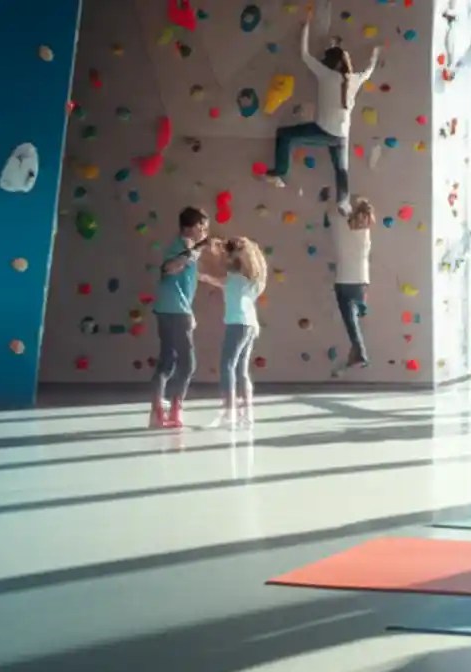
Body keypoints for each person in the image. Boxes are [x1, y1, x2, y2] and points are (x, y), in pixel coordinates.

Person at [264, 8, 379, 214]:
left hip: (324, 132)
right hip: (341, 136)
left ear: (332, 63)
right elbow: (368, 72)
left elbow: (304, 55)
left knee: (285, 135)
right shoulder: (354, 79)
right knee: (341, 170)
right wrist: (374, 55)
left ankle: (280, 171)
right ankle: (343, 202)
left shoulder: (326, 75)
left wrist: (305, 28)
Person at [148, 207, 209, 429]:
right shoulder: (183, 247)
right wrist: (194, 252)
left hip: (169, 308)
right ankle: (174, 409)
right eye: (200, 226)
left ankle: (158, 412)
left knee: (168, 361)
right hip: (174, 309)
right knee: (187, 363)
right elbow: (169, 269)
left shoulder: (184, 248)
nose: (204, 230)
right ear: (188, 228)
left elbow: (186, 279)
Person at [199, 237, 268, 428]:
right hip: (250, 325)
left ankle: (230, 412)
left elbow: (212, 277)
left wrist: (200, 271)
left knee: (227, 366)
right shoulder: (252, 280)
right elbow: (216, 278)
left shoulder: (232, 279)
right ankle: (247, 413)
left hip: (237, 325)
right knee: (241, 370)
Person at [331, 197, 374, 377]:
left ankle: (359, 352)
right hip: (362, 281)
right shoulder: (366, 234)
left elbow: (336, 212)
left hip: (345, 280)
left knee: (351, 322)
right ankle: (357, 352)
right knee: (353, 319)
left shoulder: (342, 226)